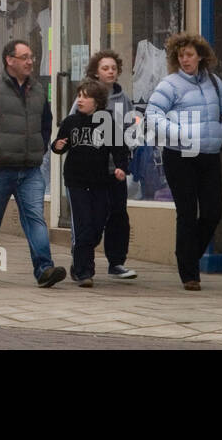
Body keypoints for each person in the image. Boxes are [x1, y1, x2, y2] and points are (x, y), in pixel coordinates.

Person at [0, 39, 67, 288]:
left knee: (35, 218)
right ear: (10, 60)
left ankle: (44, 269)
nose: (30, 61)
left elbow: (46, 121)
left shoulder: (39, 88)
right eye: (25, 57)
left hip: (30, 167)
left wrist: (41, 145)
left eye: (32, 56)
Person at [145, 32, 222, 291]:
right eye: (180, 55)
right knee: (187, 212)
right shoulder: (170, 84)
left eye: (190, 55)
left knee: (212, 211)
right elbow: (153, 114)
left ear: (201, 56)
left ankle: (187, 256)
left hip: (208, 153)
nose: (185, 60)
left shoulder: (215, 83)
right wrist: (180, 133)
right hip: (179, 155)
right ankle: (189, 273)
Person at [53, 78, 129, 287]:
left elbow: (119, 149)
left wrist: (122, 167)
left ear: (97, 102)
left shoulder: (107, 122)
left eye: (85, 97)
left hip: (100, 183)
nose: (80, 100)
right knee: (83, 226)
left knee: (97, 226)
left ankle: (81, 259)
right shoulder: (70, 122)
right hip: (75, 182)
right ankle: (83, 271)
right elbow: (59, 145)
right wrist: (57, 146)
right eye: (79, 96)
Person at [72, 50, 139, 279]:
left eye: (113, 68)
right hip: (91, 171)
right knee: (93, 218)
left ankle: (116, 263)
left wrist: (128, 150)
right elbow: (74, 126)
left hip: (116, 169)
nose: (110, 71)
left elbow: (132, 128)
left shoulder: (124, 99)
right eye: (105, 68)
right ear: (95, 72)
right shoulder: (85, 97)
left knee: (119, 214)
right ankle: (82, 262)